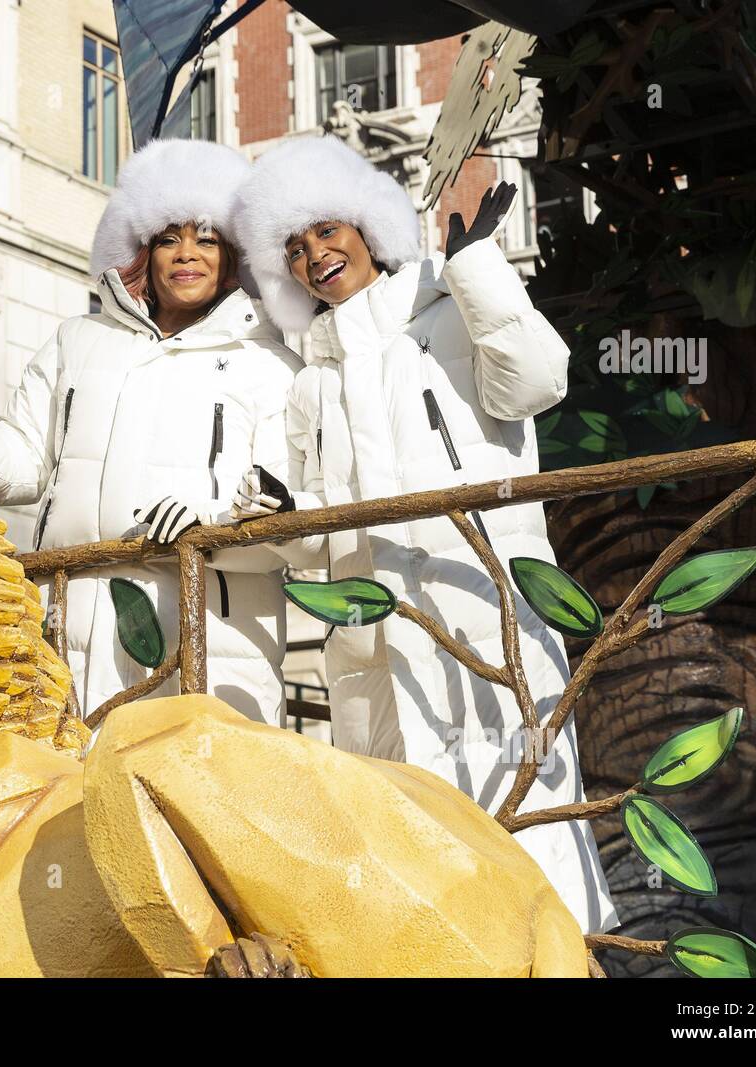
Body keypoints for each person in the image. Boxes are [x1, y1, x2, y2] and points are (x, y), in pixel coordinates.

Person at [230, 135, 617, 933]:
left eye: (327, 231)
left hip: (485, 626)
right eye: (296, 250)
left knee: (524, 843)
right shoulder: (310, 386)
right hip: (370, 651)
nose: (316, 257)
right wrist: (282, 511)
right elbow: (317, 548)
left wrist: (477, 267)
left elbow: (539, 382)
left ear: (368, 227)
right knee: (414, 874)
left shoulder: (450, 314)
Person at [0, 139, 319, 726]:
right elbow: (28, 459)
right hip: (67, 626)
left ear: (231, 255)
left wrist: (209, 521)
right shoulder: (77, 340)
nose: (187, 255)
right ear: (142, 250)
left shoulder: (272, 367)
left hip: (208, 637)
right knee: (67, 807)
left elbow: (289, 517)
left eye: (206, 238)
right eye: (168, 238)